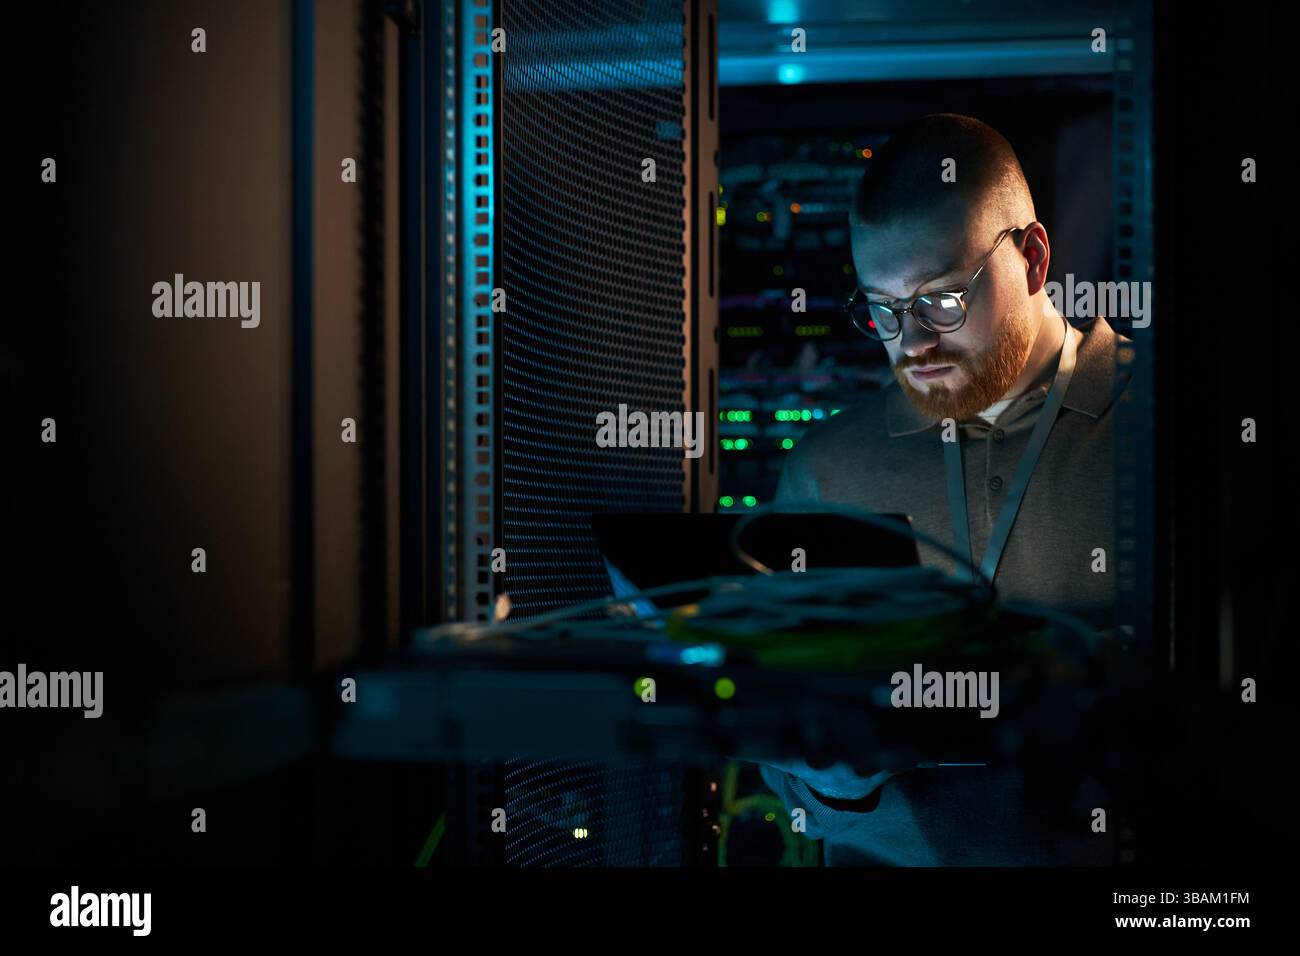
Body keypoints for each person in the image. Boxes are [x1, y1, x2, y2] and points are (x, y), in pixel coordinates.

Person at [760, 113, 1130, 865]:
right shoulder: (828, 468)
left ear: (1032, 258)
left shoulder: (1168, 434)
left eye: (940, 300)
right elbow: (792, 776)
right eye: (884, 311)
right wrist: (829, 773)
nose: (914, 344)